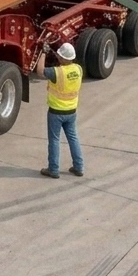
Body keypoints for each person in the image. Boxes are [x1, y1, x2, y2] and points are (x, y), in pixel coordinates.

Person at [39, 42, 84, 179]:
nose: (58, 57)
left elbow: (40, 71)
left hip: (56, 112)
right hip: (71, 111)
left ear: (62, 58)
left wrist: (43, 52)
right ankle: (79, 167)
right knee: (73, 138)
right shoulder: (78, 69)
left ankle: (53, 169)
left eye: (59, 56)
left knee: (54, 140)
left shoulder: (57, 72)